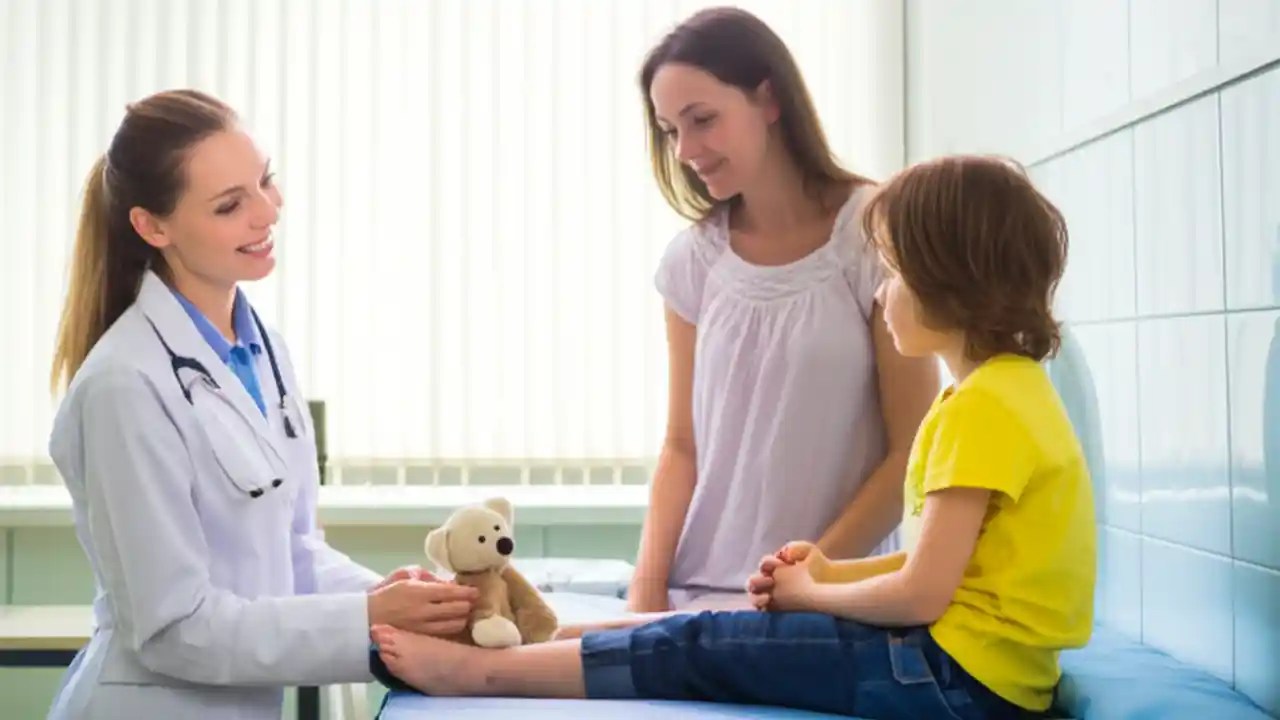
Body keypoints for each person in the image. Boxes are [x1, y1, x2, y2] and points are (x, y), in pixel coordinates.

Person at [368, 154, 1098, 720]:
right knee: (715, 623)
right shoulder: (1004, 393)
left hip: (950, 685)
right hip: (974, 679)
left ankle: (481, 674)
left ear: (951, 281)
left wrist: (813, 592)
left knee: (703, 645)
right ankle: (538, 637)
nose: (881, 292)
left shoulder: (984, 409)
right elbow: (955, 569)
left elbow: (921, 594)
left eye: (896, 273)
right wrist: (828, 575)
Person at [45, 89, 478, 720]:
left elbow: (291, 548)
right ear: (152, 226)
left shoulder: (258, 348)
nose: (267, 212)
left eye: (265, 181)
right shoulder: (124, 385)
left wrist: (392, 599)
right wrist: (367, 620)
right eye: (230, 205)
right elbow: (174, 626)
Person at [625, 6, 939, 613]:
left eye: (703, 119)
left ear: (768, 99)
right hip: (704, 589)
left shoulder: (874, 236)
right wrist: (645, 594)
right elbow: (681, 447)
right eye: (670, 130)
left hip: (829, 595)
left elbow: (913, 449)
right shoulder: (694, 261)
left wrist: (804, 580)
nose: (686, 149)